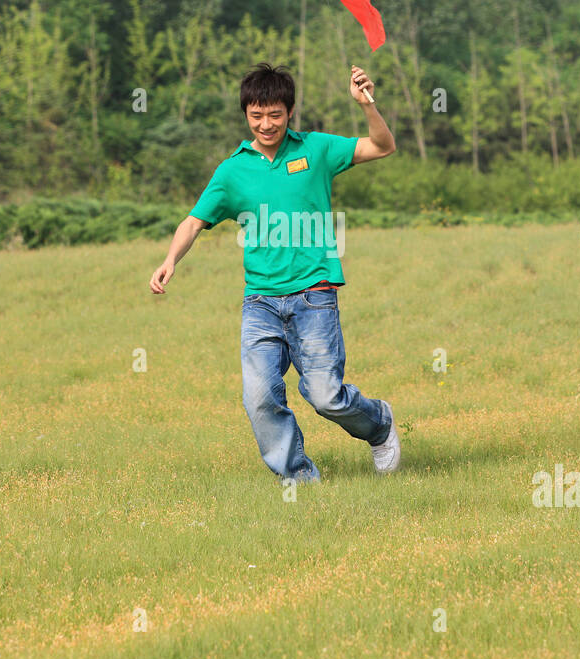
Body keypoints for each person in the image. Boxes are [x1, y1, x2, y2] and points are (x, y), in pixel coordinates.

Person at [148, 63, 400, 482]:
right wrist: (171, 259)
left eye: (275, 114)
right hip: (260, 300)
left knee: (325, 396)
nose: (266, 124)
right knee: (259, 398)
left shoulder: (316, 150)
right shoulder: (233, 170)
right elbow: (193, 221)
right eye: (257, 115)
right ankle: (299, 481)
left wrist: (367, 105)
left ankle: (379, 424)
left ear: (290, 111)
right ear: (246, 114)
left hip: (314, 295)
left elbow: (382, 146)